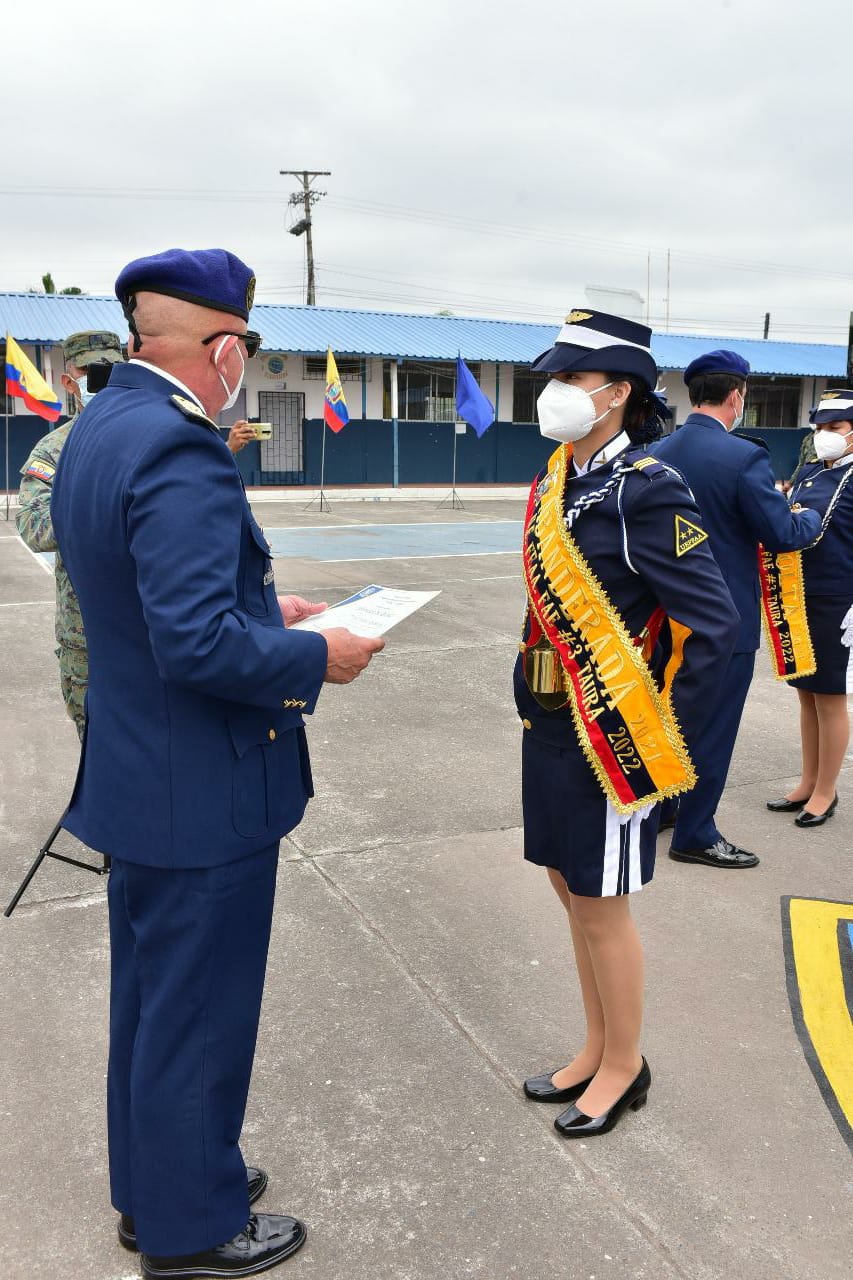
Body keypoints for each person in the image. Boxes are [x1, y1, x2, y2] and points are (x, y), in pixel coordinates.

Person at [51, 248, 383, 1279]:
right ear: (225, 346)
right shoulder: (181, 449)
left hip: (139, 772)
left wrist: (260, 609)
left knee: (153, 1001)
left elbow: (144, 605)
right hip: (201, 786)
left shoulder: (101, 426)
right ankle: (191, 1228)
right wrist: (312, 651)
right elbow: (194, 646)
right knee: (199, 1012)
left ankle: (157, 1190)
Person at [517, 310, 739, 1138]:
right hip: (548, 723)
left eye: (570, 380)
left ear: (617, 393)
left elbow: (711, 627)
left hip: (612, 738)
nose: (555, 393)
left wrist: (659, 741)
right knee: (569, 889)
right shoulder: (558, 480)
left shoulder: (644, 487)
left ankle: (624, 1067)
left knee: (602, 903)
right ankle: (594, 1046)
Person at [653, 351, 821, 868]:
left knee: (668, 714)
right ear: (736, 395)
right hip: (724, 620)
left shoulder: (656, 451)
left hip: (663, 615)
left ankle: (662, 807)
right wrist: (810, 514)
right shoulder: (743, 457)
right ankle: (696, 833)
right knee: (715, 726)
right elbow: (782, 534)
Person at [17, 330, 124, 737]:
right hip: (88, 635)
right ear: (69, 381)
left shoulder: (154, 436)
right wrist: (100, 499)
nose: (103, 378)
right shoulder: (54, 451)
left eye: (113, 368)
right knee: (100, 747)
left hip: (154, 626)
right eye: (91, 370)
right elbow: (33, 526)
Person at [766, 389, 853, 826]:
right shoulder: (809, 473)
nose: (825, 436)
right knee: (805, 694)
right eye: (820, 428)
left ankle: (826, 791)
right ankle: (807, 781)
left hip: (841, 597)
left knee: (831, 697)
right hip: (800, 593)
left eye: (835, 428)